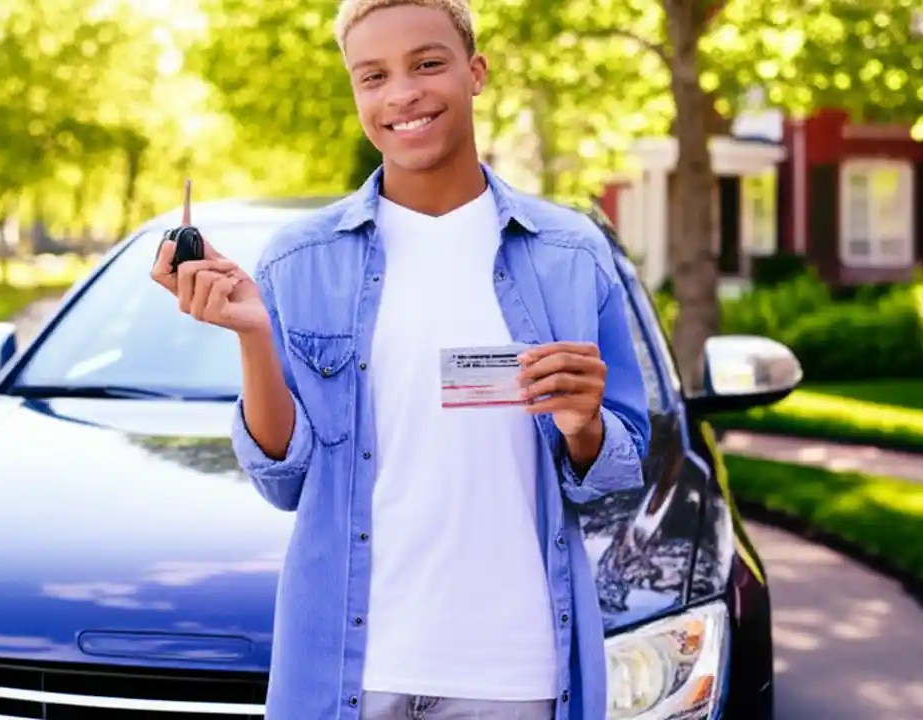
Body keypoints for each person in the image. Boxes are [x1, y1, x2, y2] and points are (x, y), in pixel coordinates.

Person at [150, 1, 650, 718]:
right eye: (372, 76)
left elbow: (619, 473)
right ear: (355, 93)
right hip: (354, 668)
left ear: (474, 72)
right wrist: (255, 337)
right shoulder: (301, 260)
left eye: (427, 63)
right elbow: (283, 480)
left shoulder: (571, 254)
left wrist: (584, 425)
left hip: (515, 672)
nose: (401, 94)